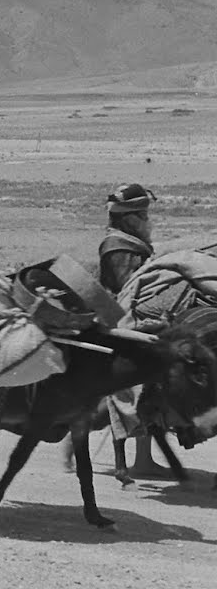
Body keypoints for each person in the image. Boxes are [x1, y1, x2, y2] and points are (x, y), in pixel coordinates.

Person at [100, 182, 174, 478]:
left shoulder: (130, 243)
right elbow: (125, 289)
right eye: (143, 215)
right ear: (129, 218)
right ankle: (139, 461)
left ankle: (144, 459)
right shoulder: (116, 246)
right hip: (121, 322)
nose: (147, 220)